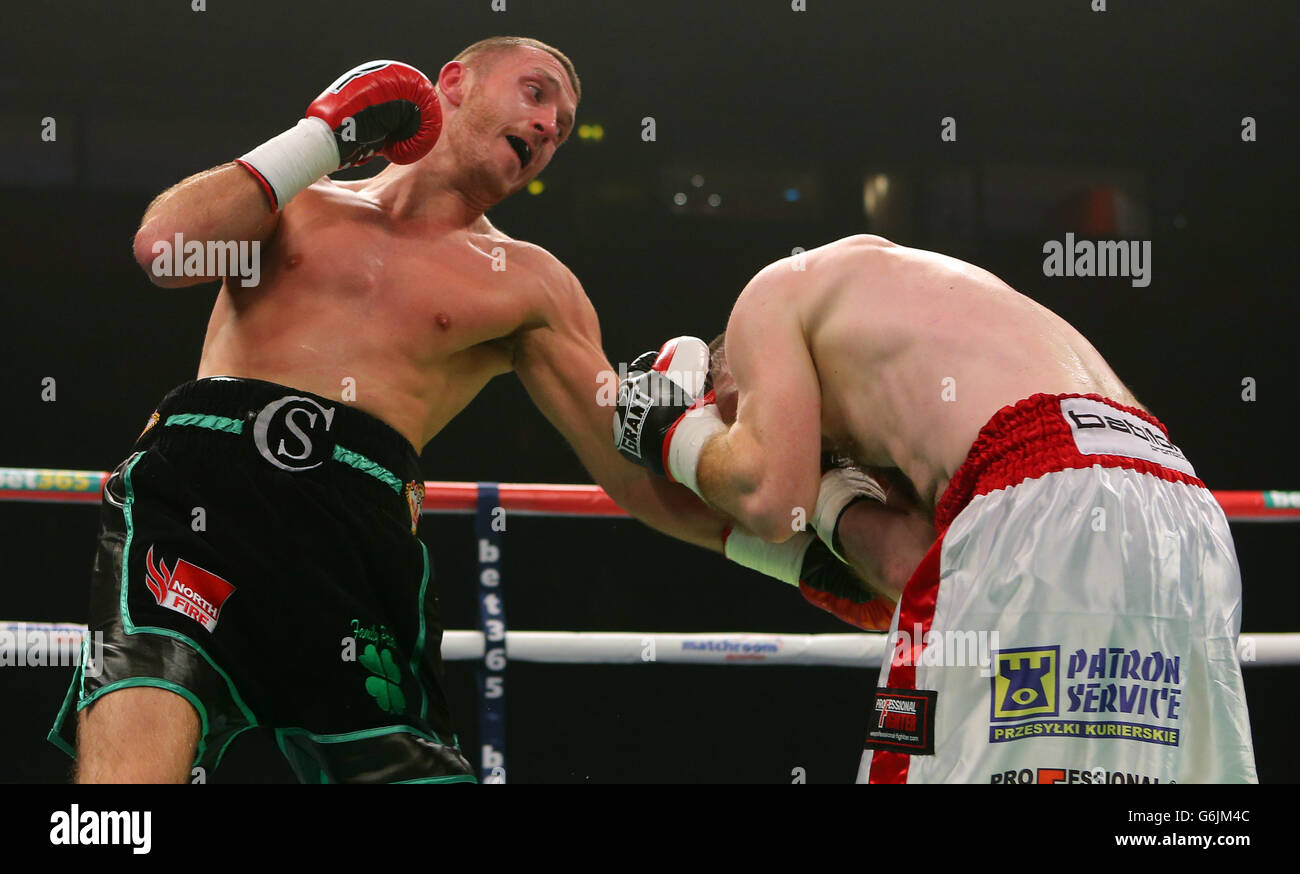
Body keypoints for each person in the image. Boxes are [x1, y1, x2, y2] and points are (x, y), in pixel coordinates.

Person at [50, 37, 754, 785]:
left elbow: (634, 470)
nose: (551, 127)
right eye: (537, 94)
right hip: (198, 495)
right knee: (129, 785)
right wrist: (320, 137)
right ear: (453, 82)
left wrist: (796, 550)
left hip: (358, 531)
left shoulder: (532, 283)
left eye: (566, 126)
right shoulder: (298, 200)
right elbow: (164, 250)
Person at [614, 234, 1258, 783]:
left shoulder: (772, 294)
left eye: (735, 415)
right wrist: (829, 497)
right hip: (1181, 511)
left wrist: (679, 436)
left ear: (721, 371)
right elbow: (912, 572)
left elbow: (767, 493)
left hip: (1045, 487)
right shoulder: (902, 334)